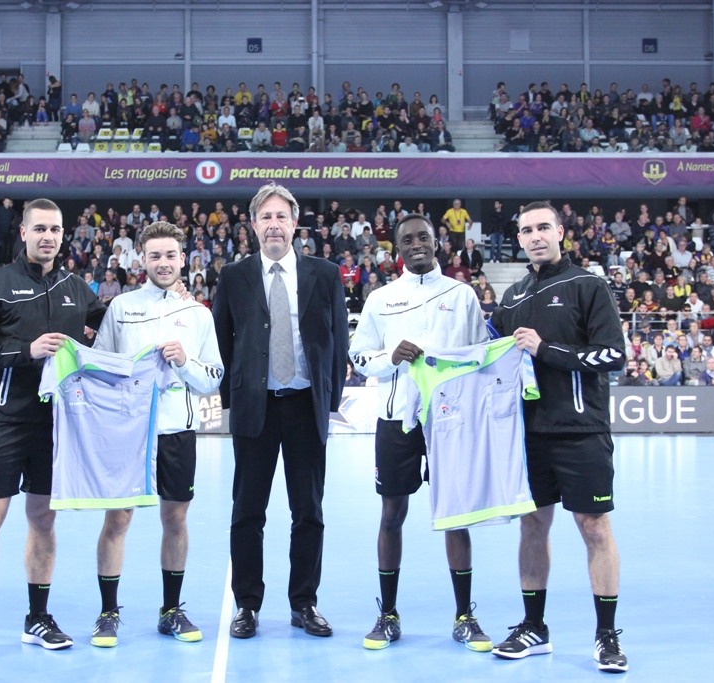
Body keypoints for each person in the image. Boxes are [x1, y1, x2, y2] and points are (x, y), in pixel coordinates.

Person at [0, 198, 106, 662]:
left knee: (43, 519)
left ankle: (36, 617)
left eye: (56, 230)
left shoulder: (77, 288)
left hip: (56, 425)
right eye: (39, 228)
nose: (48, 237)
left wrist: (168, 302)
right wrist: (26, 350)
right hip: (2, 423)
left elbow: (112, 328)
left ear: (64, 235)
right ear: (22, 233)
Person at [491, 201, 628, 673]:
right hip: (528, 437)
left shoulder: (588, 285)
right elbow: (485, 352)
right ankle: (534, 627)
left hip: (581, 431)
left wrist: (546, 349)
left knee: (594, 528)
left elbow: (612, 354)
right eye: (526, 230)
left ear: (560, 232)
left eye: (543, 227)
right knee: (533, 527)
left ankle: (606, 635)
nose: (535, 236)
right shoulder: (511, 297)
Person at [349, 213, 492, 651]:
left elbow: (480, 357)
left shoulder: (462, 295)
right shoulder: (380, 299)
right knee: (392, 515)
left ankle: (465, 616)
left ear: (437, 242)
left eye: (423, 237)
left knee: (455, 516)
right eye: (407, 239)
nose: (416, 244)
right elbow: (358, 358)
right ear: (397, 250)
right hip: (396, 421)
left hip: (450, 422)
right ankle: (387, 614)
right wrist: (390, 357)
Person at [212, 182, 348, 639]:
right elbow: (222, 342)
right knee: (247, 512)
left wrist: (329, 404)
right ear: (253, 225)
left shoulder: (325, 273)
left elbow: (337, 343)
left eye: (281, 216)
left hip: (305, 407)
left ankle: (304, 603)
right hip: (256, 410)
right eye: (265, 217)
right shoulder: (233, 276)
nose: (273, 224)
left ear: (294, 224)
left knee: (308, 511)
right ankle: (247, 605)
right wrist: (233, 402)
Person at [91, 222, 224, 647]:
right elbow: (102, 368)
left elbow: (213, 378)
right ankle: (108, 612)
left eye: (171, 256)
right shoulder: (122, 307)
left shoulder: (199, 314)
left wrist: (185, 362)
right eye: (155, 256)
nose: (163, 263)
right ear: (141, 260)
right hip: (129, 432)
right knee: (118, 518)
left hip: (176, 431)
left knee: (176, 518)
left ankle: (171, 610)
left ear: (183, 259)